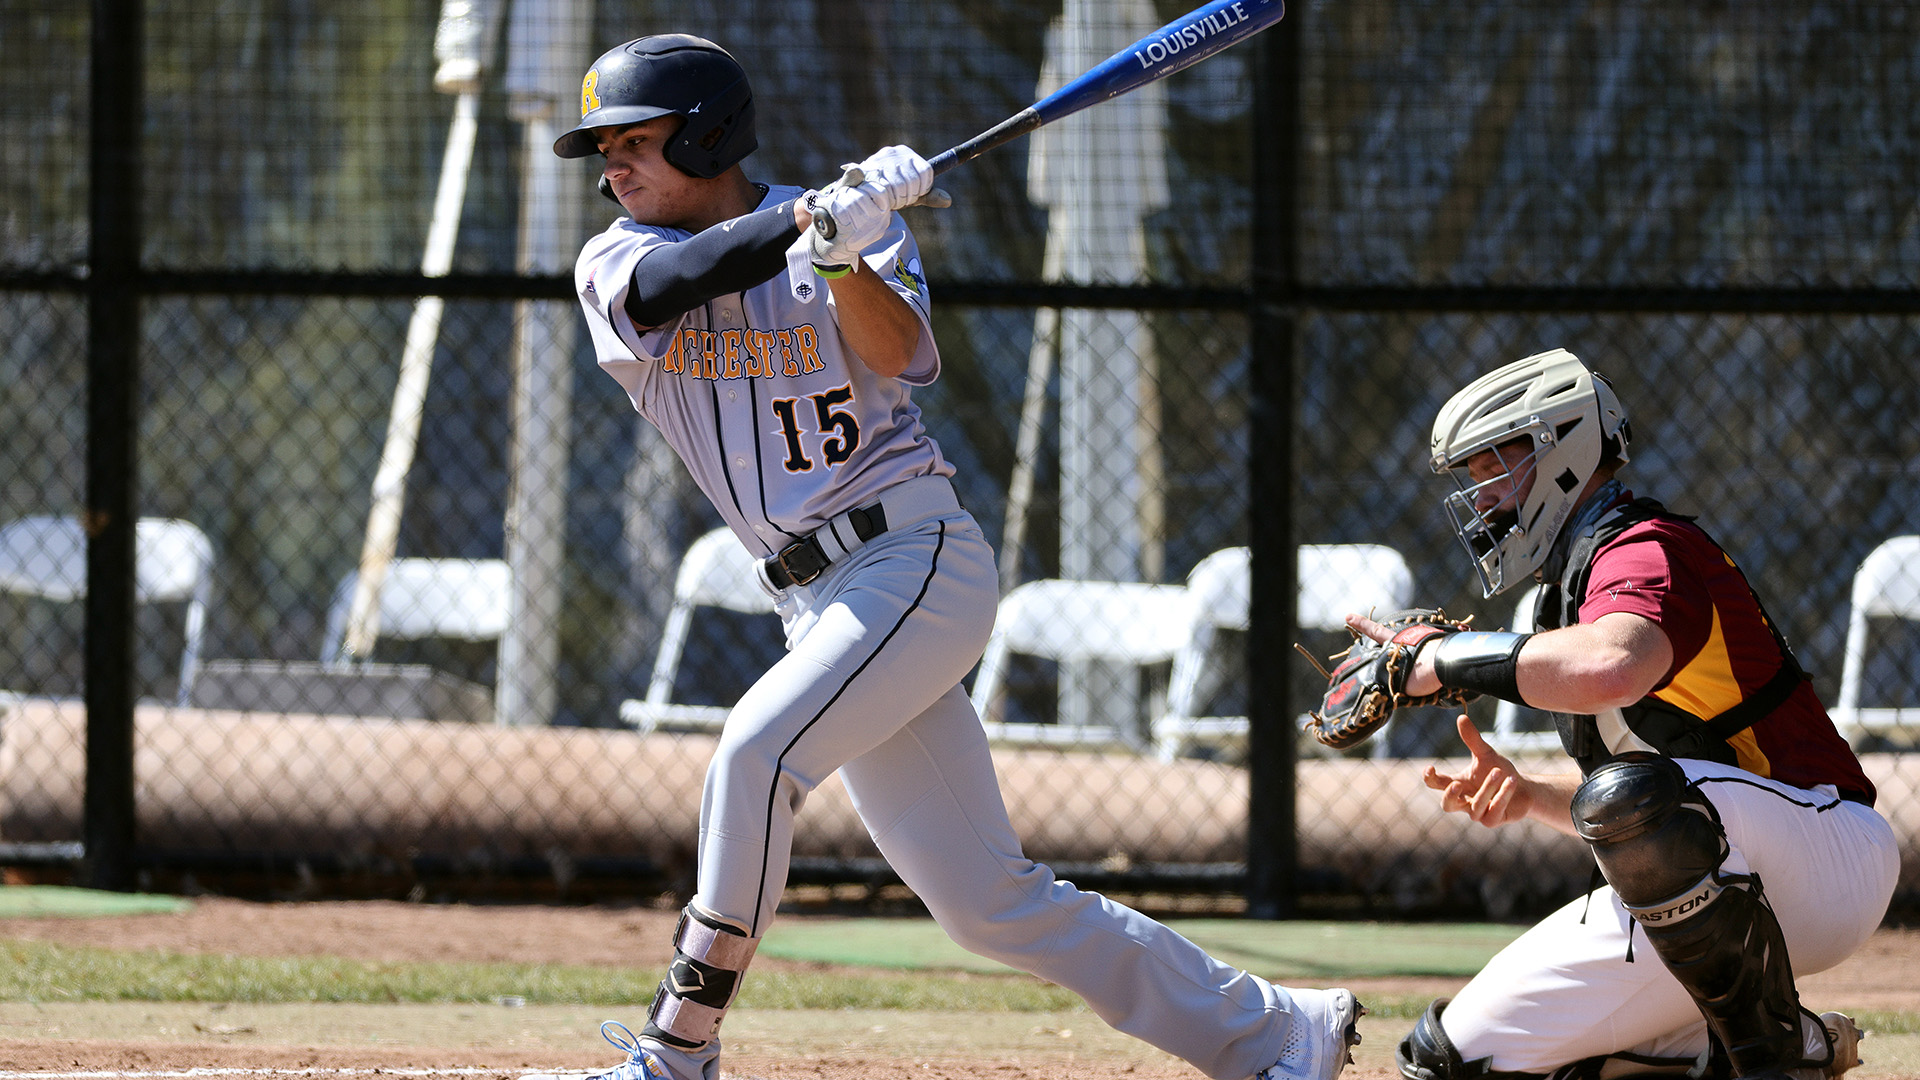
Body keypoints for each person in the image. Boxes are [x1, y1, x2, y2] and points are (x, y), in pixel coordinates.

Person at [520, 34, 1363, 1080]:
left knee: (756, 754)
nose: (613, 168)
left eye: (636, 143)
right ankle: (1280, 1032)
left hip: (911, 555)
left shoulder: (850, 231)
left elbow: (897, 355)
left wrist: (837, 254)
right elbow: (676, 285)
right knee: (985, 902)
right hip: (813, 597)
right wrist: (801, 219)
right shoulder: (616, 259)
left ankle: (676, 1052)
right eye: (603, 150)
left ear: (708, 134)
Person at [1344, 349, 1897, 1080]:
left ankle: (1770, 1059)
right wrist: (1534, 796)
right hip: (1734, 882)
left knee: (1631, 793)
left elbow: (1617, 665)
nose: (1479, 499)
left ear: (1562, 453)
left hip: (1826, 854)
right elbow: (1662, 827)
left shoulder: (1644, 548)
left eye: (1491, 470)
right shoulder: (1563, 592)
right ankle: (1782, 1041)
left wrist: (1444, 658)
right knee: (1450, 1062)